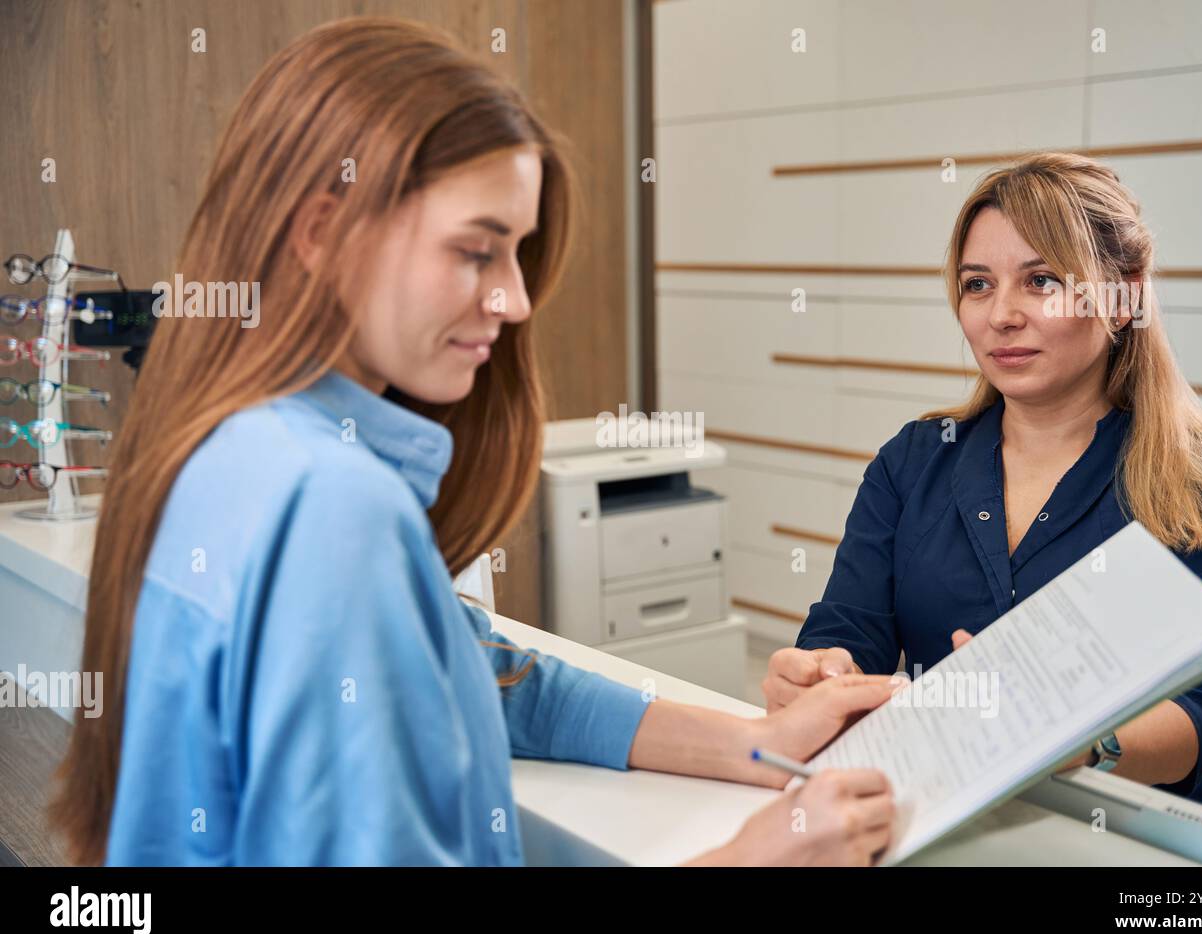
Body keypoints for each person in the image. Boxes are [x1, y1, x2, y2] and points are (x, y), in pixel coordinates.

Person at [48, 18, 897, 866]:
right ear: (319, 233)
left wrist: (758, 740)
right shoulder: (330, 502)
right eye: (476, 252)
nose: (516, 300)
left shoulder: (228, 449)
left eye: (517, 255)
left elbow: (487, 676)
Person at [763, 152, 1202, 809]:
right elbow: (852, 629)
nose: (1001, 315)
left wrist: (1080, 742)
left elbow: (1199, 716)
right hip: (932, 807)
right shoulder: (914, 461)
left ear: (1123, 295)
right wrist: (822, 674)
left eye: (1041, 280)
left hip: (1117, 829)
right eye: (978, 284)